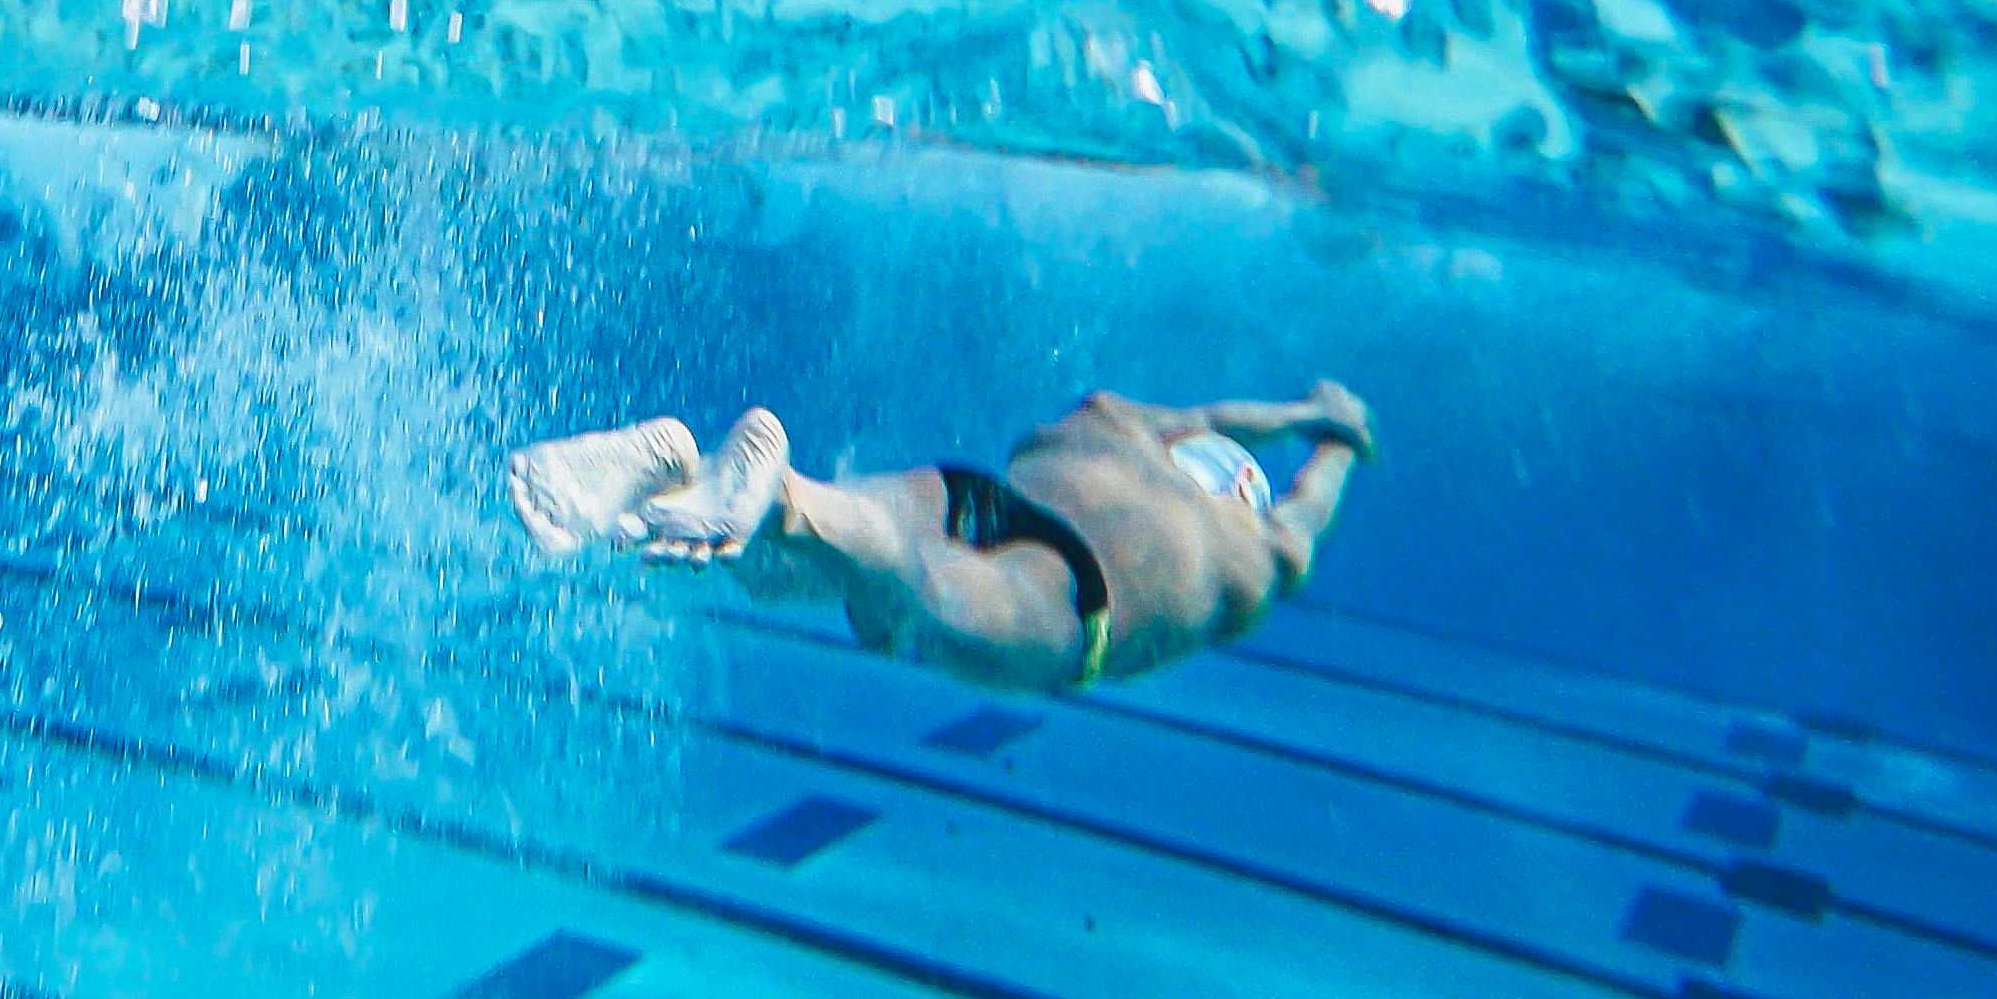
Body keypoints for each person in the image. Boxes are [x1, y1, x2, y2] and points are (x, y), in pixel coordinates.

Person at [505, 381, 1376, 690]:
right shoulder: (1248, 554)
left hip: (986, 490)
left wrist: (1305, 409)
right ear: (1243, 495)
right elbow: (1306, 509)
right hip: (1079, 596)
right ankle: (766, 496)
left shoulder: (1123, 429)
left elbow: (1215, 415)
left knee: (833, 545)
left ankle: (751, 485)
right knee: (916, 593)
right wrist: (1340, 441)